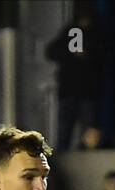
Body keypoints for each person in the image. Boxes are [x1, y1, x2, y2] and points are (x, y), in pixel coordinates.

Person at [44, 7, 106, 150]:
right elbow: (51, 51)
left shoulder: (97, 33)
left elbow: (104, 57)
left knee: (89, 135)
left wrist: (88, 55)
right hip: (69, 91)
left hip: (88, 92)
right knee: (64, 133)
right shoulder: (71, 31)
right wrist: (71, 54)